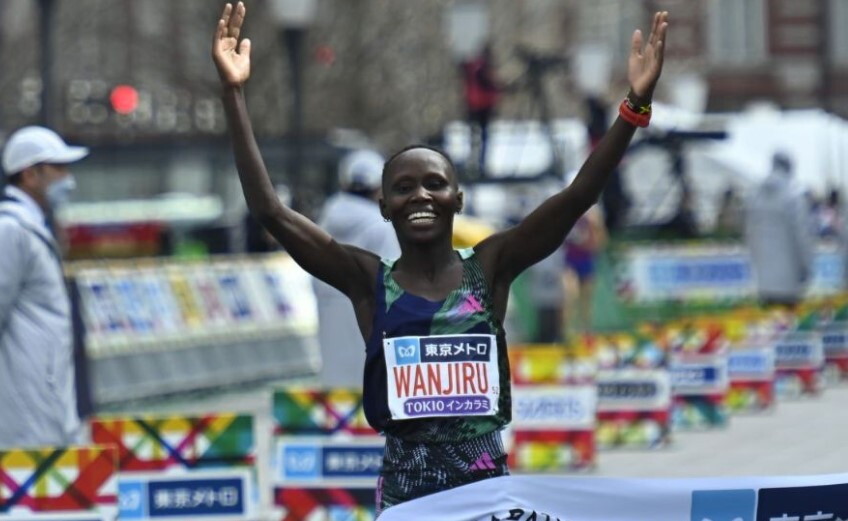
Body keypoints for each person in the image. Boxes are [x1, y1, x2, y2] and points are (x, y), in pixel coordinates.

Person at [212, 2, 668, 512]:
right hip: (409, 499)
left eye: (435, 184)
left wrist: (633, 106)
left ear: (458, 199)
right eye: (404, 187)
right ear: (384, 206)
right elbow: (271, 211)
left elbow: (579, 194)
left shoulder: (490, 266)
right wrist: (233, 93)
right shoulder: (368, 281)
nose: (421, 196)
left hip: (487, 494)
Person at [0, 126, 88, 448]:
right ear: (30, 174)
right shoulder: (11, 231)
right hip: (24, 410)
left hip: (42, 403)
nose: (68, 179)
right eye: (59, 169)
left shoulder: (31, 229)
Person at [312, 149, 400, 388]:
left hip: (330, 311)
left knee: (337, 384)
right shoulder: (381, 227)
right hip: (371, 317)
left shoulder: (325, 220)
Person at [744, 152, 814, 307]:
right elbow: (802, 237)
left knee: (770, 327)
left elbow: (750, 237)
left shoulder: (754, 196)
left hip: (763, 281)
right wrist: (806, 268)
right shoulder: (793, 196)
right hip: (789, 280)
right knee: (788, 327)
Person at [564, 204, 606, 336]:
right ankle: (567, 331)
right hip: (569, 260)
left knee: (586, 298)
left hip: (586, 259)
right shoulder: (567, 210)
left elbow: (602, 239)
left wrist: (595, 239)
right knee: (570, 294)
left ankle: (586, 330)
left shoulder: (592, 213)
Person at [461, 43, 502, 177]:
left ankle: (477, 164)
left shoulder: (474, 67)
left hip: (476, 105)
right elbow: (489, 85)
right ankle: (479, 165)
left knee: (477, 137)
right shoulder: (482, 68)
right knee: (481, 137)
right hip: (481, 106)